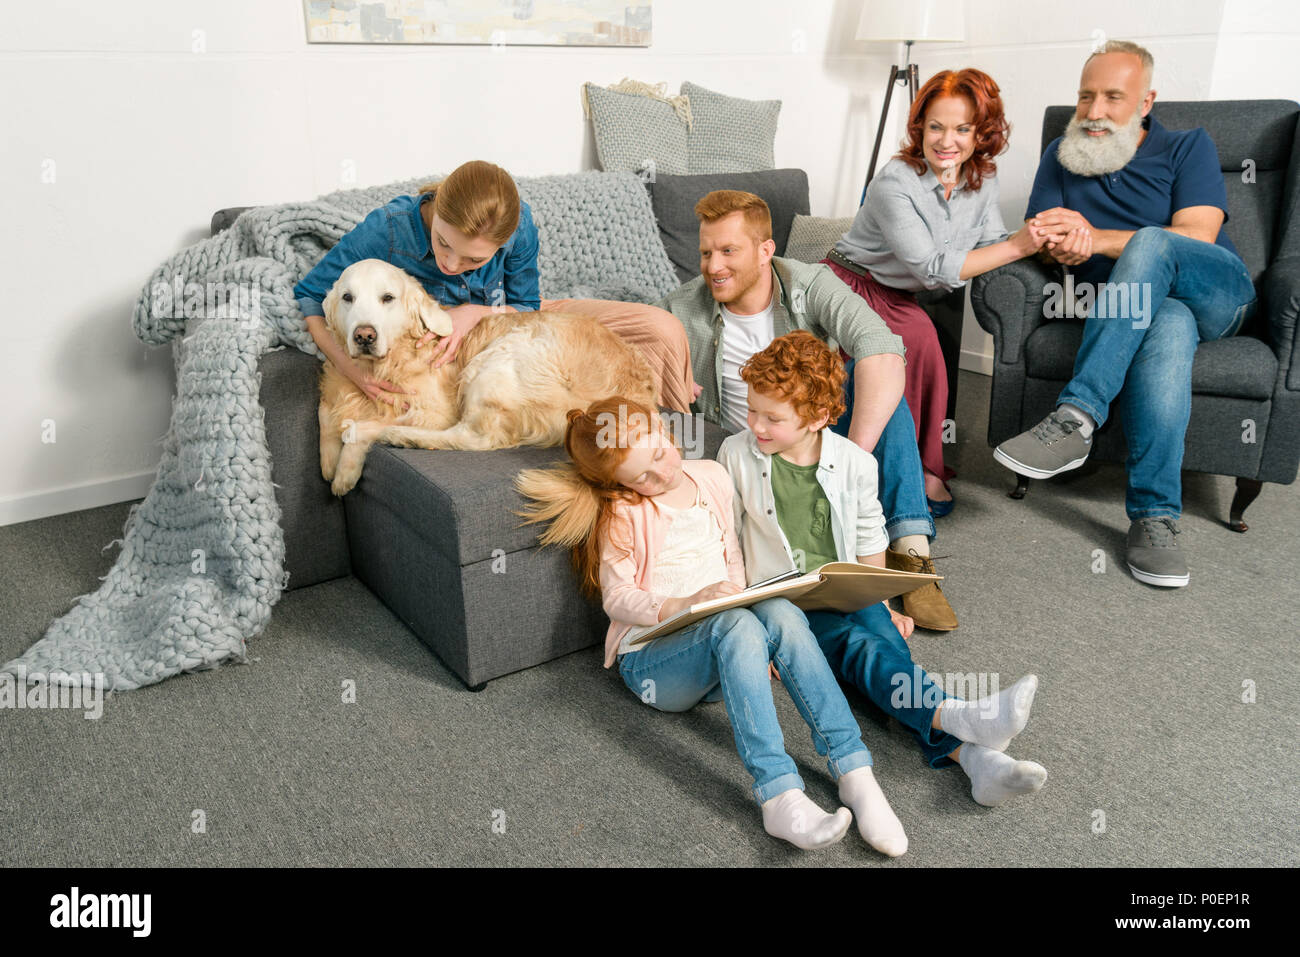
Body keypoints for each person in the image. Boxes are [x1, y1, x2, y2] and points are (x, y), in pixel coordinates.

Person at [514, 396, 908, 855]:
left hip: (723, 654)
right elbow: (617, 599)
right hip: (653, 665)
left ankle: (854, 771)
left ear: (665, 432)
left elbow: (733, 558)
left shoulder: (711, 477)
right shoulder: (623, 514)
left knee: (779, 610)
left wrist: (749, 611)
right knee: (736, 625)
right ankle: (779, 793)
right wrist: (685, 602)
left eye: (660, 454)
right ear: (617, 484)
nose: (661, 474)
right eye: (641, 476)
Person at [717, 332, 1048, 806]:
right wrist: (754, 632)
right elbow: (726, 540)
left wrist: (885, 601)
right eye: (752, 411)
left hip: (849, 588)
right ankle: (962, 723)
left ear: (816, 418)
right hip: (789, 601)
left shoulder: (853, 462)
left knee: (887, 649)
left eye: (772, 417)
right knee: (862, 651)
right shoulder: (736, 454)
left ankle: (976, 760)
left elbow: (871, 536)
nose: (757, 425)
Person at [993, 41, 1257, 588]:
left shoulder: (1188, 147)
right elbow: (1042, 238)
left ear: (1145, 102)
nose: (1094, 111)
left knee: (1154, 244)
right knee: (1166, 324)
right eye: (1086, 95)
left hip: (1215, 291)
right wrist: (1059, 248)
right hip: (1139, 309)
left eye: (1114, 96)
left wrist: (1095, 240)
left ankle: (1077, 417)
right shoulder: (1061, 156)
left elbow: (1198, 234)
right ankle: (1154, 518)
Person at [658, 189, 958, 631]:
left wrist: (847, 464)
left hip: (815, 435)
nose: (713, 266)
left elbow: (881, 347)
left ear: (765, 251)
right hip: (746, 445)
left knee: (878, 381)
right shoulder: (679, 309)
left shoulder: (808, 283)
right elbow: (626, 364)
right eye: (705, 252)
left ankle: (912, 556)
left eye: (727, 251)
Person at [292, 159, 698, 413]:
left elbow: (528, 306)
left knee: (661, 327)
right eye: (443, 245)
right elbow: (310, 295)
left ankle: (673, 438)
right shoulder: (389, 228)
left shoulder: (521, 228)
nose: (452, 264)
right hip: (459, 347)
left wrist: (476, 312)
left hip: (508, 321)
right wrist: (351, 371)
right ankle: (634, 445)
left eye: (474, 260)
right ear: (437, 212)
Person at [827, 68, 1048, 515]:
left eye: (962, 128)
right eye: (936, 127)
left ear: (981, 132)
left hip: (897, 295)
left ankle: (926, 467)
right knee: (909, 346)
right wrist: (1016, 246)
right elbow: (931, 270)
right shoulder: (895, 181)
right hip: (852, 282)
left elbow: (991, 244)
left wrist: (1038, 239)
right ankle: (890, 477)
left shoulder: (983, 180)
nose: (947, 141)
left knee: (927, 351)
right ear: (920, 128)